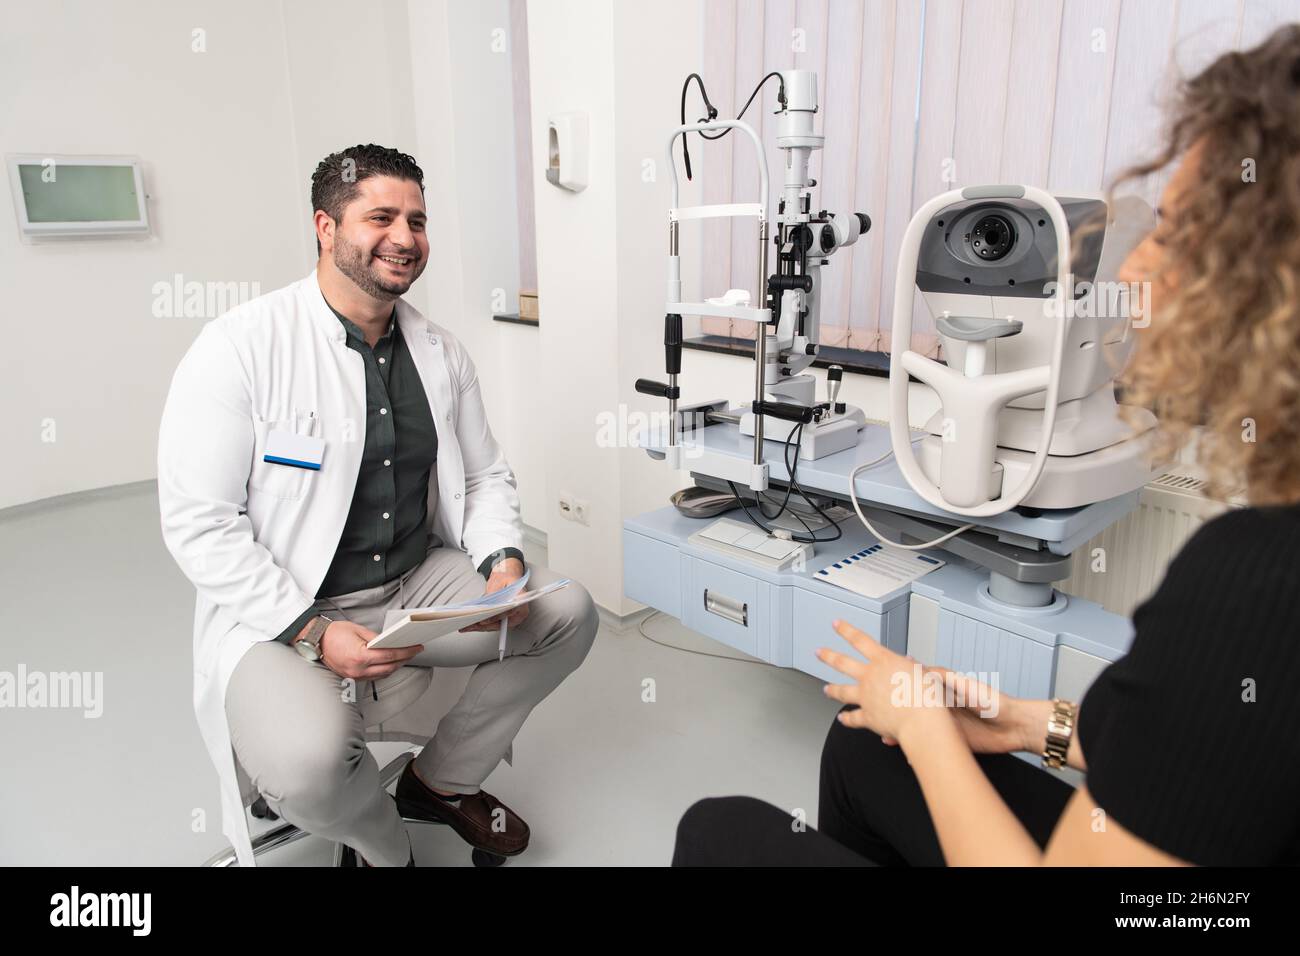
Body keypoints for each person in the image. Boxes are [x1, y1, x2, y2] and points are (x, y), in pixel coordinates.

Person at [673, 24, 1300, 867]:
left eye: (1178, 232)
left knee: (719, 831)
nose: (1137, 264)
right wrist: (1023, 724)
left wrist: (930, 728)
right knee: (866, 746)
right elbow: (1214, 756)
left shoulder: (1257, 582)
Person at [158, 144, 598, 867]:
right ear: (326, 227)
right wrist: (310, 630)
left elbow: (486, 474)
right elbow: (199, 525)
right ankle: (384, 845)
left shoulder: (441, 353)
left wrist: (503, 560)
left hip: (413, 587)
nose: (405, 237)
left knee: (567, 612)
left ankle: (437, 783)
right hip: (285, 610)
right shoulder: (240, 349)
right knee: (306, 766)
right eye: (382, 217)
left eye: (418, 220)